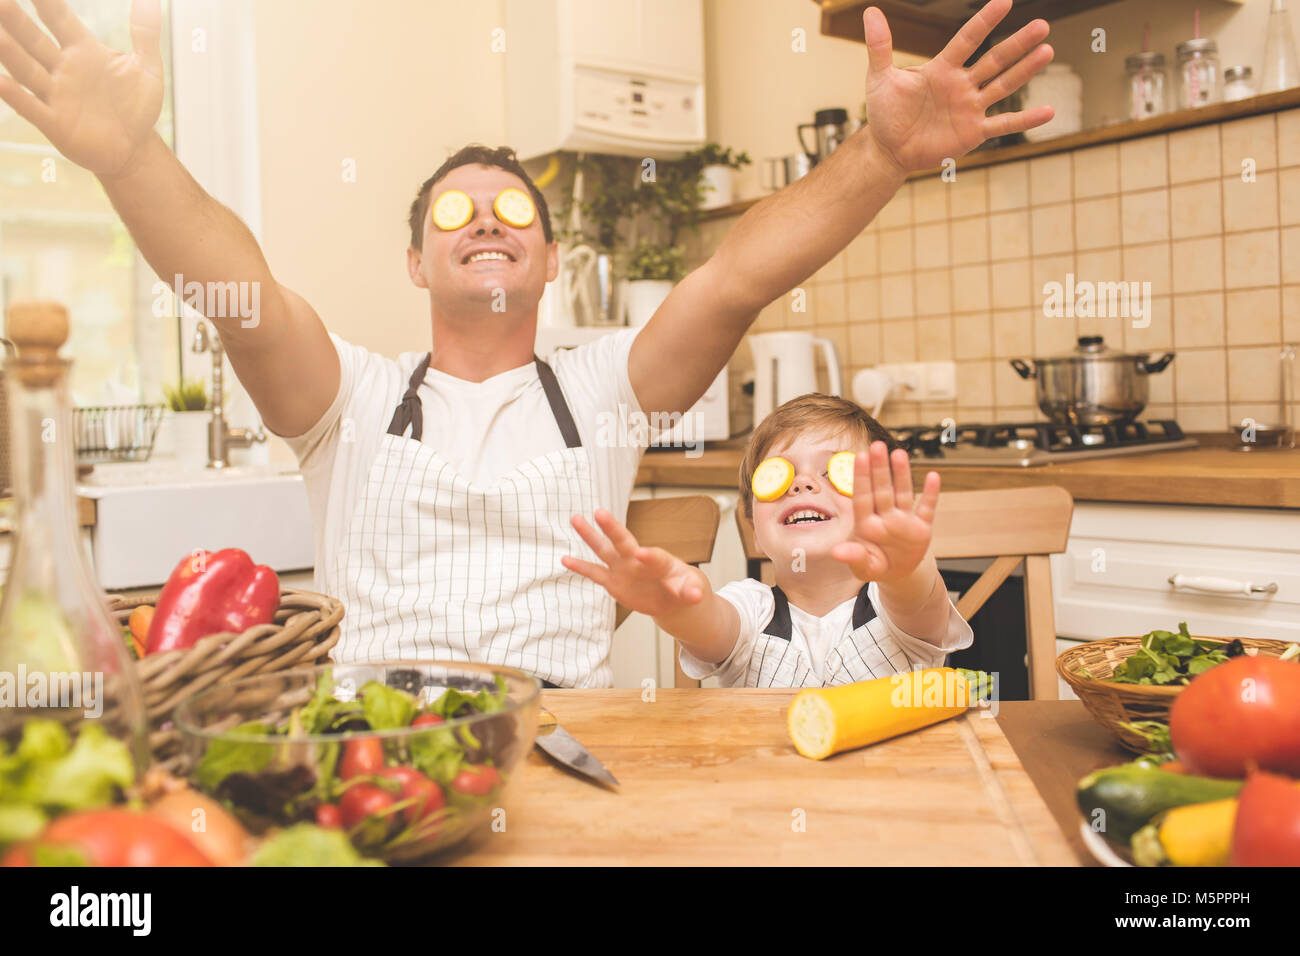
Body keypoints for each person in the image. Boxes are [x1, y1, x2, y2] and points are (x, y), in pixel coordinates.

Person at [0, 0, 1050, 686]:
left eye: (513, 211)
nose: (486, 222)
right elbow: (244, 297)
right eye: (452, 218)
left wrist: (878, 154)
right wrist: (133, 159)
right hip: (372, 739)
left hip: (565, 739)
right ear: (416, 264)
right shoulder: (346, 397)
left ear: (552, 261)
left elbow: (739, 276)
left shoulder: (609, 386)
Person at [563, 395, 973, 687]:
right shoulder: (751, 609)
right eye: (778, 475)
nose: (803, 482)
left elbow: (917, 601)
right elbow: (710, 626)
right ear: (753, 529)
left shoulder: (895, 606)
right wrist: (673, 608)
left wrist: (906, 568)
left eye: (837, 471)